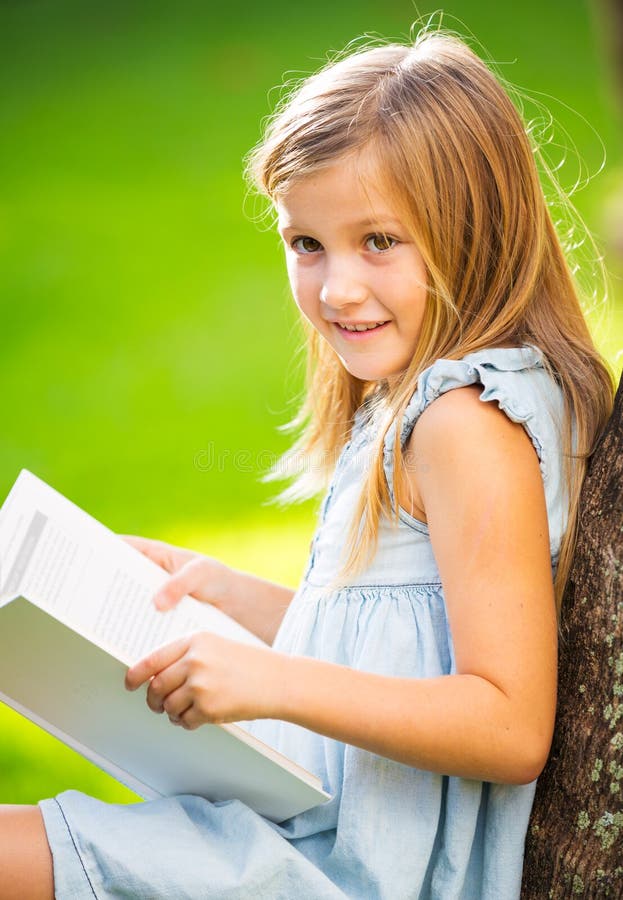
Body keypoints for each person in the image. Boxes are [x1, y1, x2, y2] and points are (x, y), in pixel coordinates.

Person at [0, 26, 615, 900]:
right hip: (318, 822)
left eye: (378, 242)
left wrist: (273, 681)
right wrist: (222, 592)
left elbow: (509, 722)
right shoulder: (418, 395)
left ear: (472, 227)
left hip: (349, 865)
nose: (335, 289)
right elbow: (412, 634)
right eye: (305, 244)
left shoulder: (462, 421)